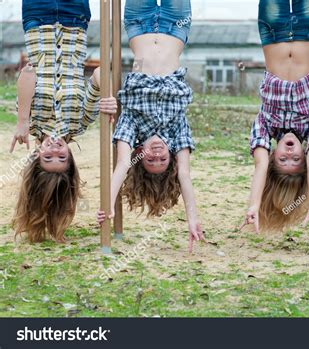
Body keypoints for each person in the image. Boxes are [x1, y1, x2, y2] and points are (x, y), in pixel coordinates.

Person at [96, 0, 204, 253]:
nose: (156, 155)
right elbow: (185, 177)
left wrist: (109, 204)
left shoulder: (130, 125)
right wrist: (192, 218)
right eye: (162, 161)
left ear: (139, 156)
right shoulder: (178, 129)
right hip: (175, 28)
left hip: (138, 24)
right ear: (171, 160)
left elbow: (122, 165)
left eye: (149, 161)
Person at [12, 0, 117, 243]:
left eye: (48, 158)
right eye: (62, 158)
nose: (55, 151)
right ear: (71, 158)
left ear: (36, 156)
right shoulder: (80, 122)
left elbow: (27, 73)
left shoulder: (32, 122)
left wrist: (22, 121)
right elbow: (100, 74)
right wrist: (108, 94)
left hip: (37, 18)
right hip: (74, 19)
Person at [240, 0, 309, 232]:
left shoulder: (265, 124)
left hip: (273, 32)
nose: (290, 154)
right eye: (295, 160)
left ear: (273, 156)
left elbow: (259, 166)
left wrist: (254, 205)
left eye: (282, 160)